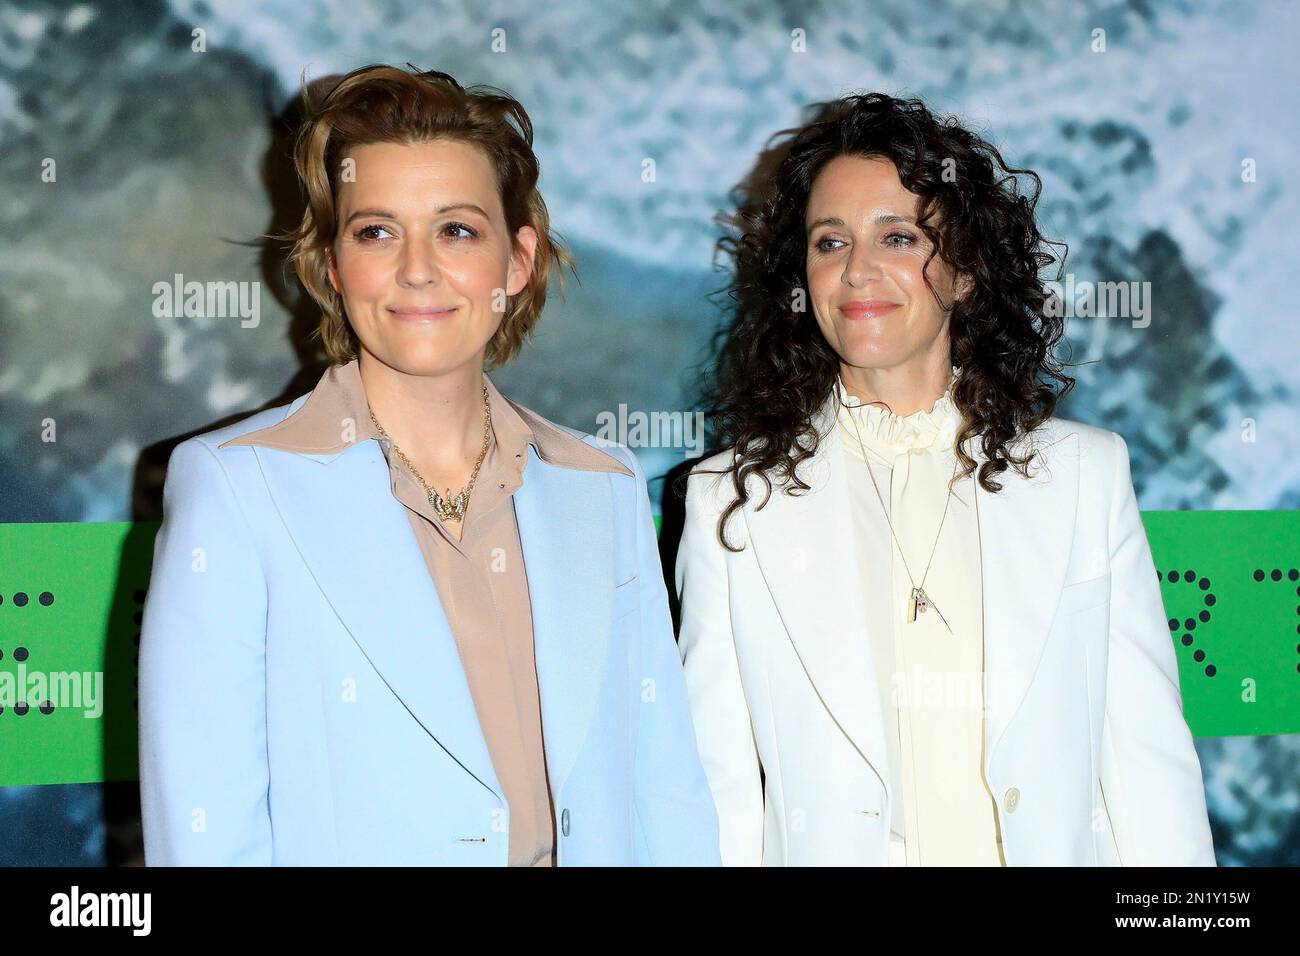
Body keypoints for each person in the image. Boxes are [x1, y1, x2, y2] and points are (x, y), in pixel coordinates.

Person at [138, 64, 719, 866]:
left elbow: (668, 797)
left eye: (456, 230)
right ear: (333, 267)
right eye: (376, 230)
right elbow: (207, 836)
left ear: (516, 262)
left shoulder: (606, 488)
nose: (417, 268)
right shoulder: (236, 489)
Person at [675, 92, 1215, 866]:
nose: (857, 270)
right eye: (830, 242)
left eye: (897, 237)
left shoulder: (1084, 478)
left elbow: (1147, 760)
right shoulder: (729, 500)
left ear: (964, 272)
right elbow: (719, 790)